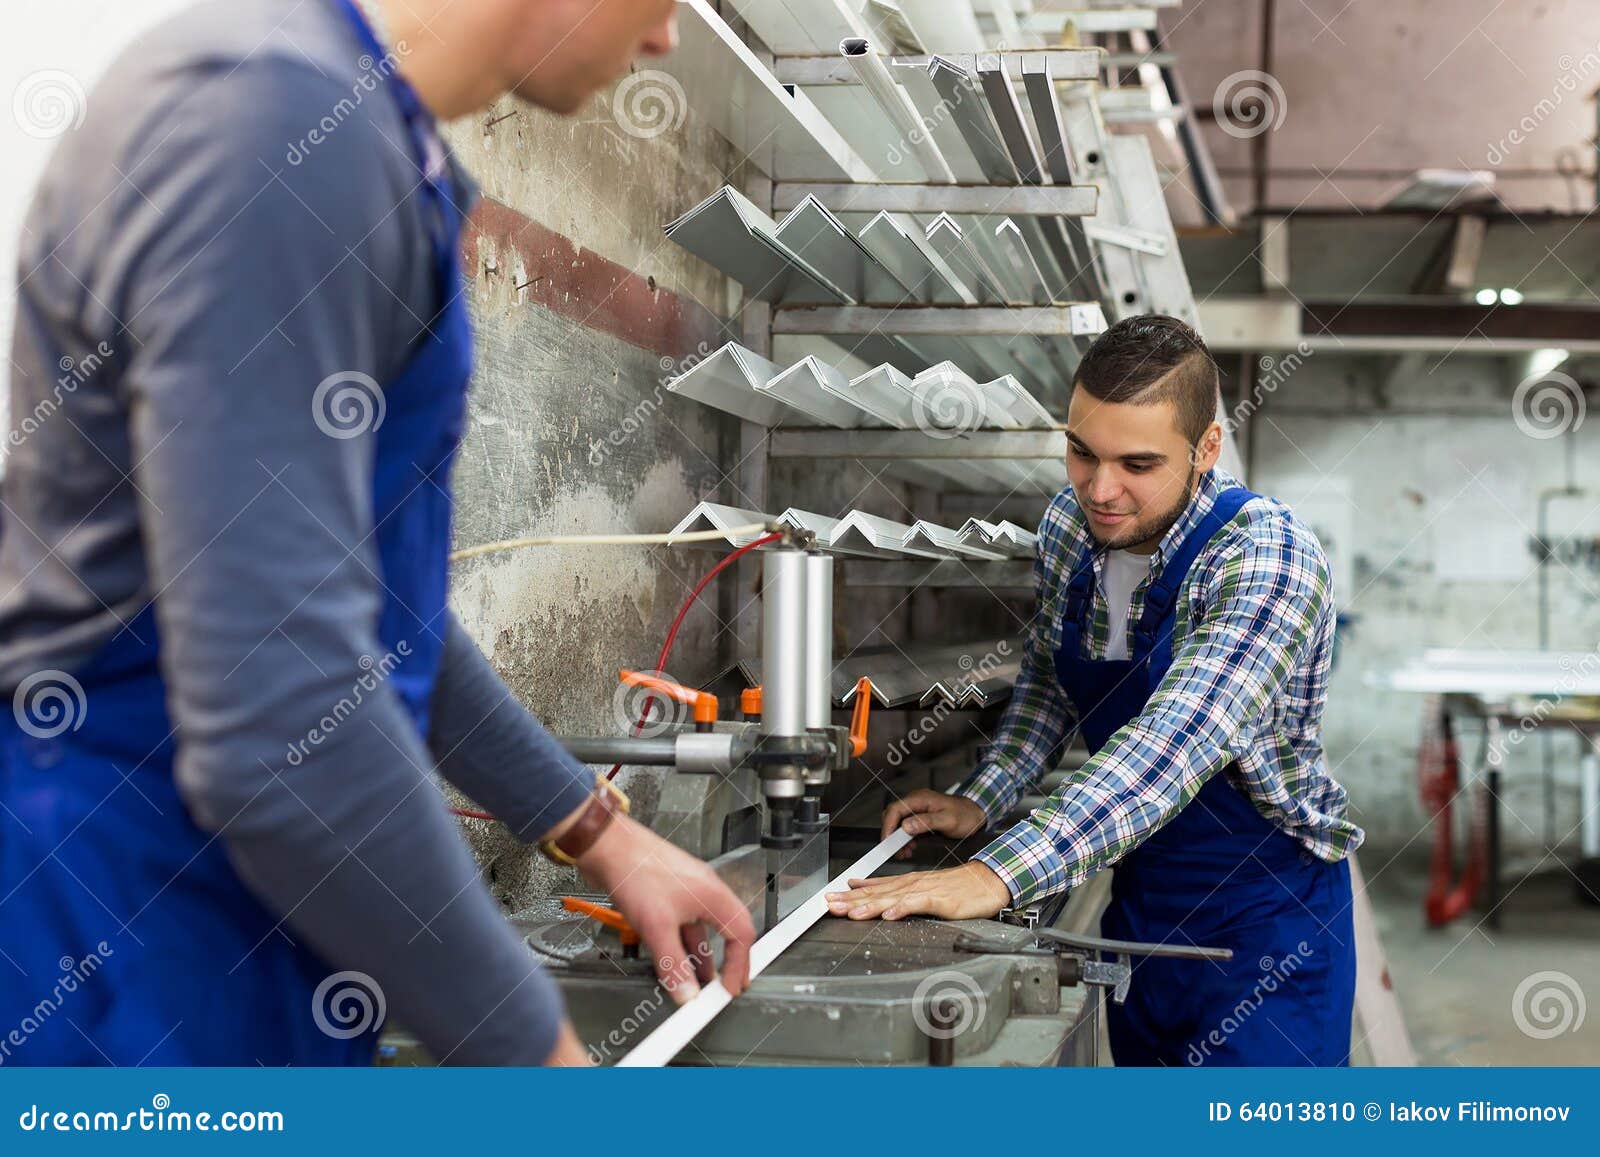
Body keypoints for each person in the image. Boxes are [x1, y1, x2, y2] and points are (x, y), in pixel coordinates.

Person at [0, 0, 753, 1067]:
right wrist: (545, 1063)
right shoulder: (277, 125)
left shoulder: (369, 143)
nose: (665, 41)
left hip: (238, 916)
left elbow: (372, 609)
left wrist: (601, 831)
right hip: (126, 938)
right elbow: (281, 719)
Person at [828, 315, 1364, 1067]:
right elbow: (1051, 679)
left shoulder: (1267, 559)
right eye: (1082, 451)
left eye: (1137, 464)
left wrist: (997, 872)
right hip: (1142, 902)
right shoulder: (1070, 528)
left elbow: (1173, 746)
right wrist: (989, 793)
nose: (1100, 490)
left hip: (1266, 921)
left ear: (1206, 448)